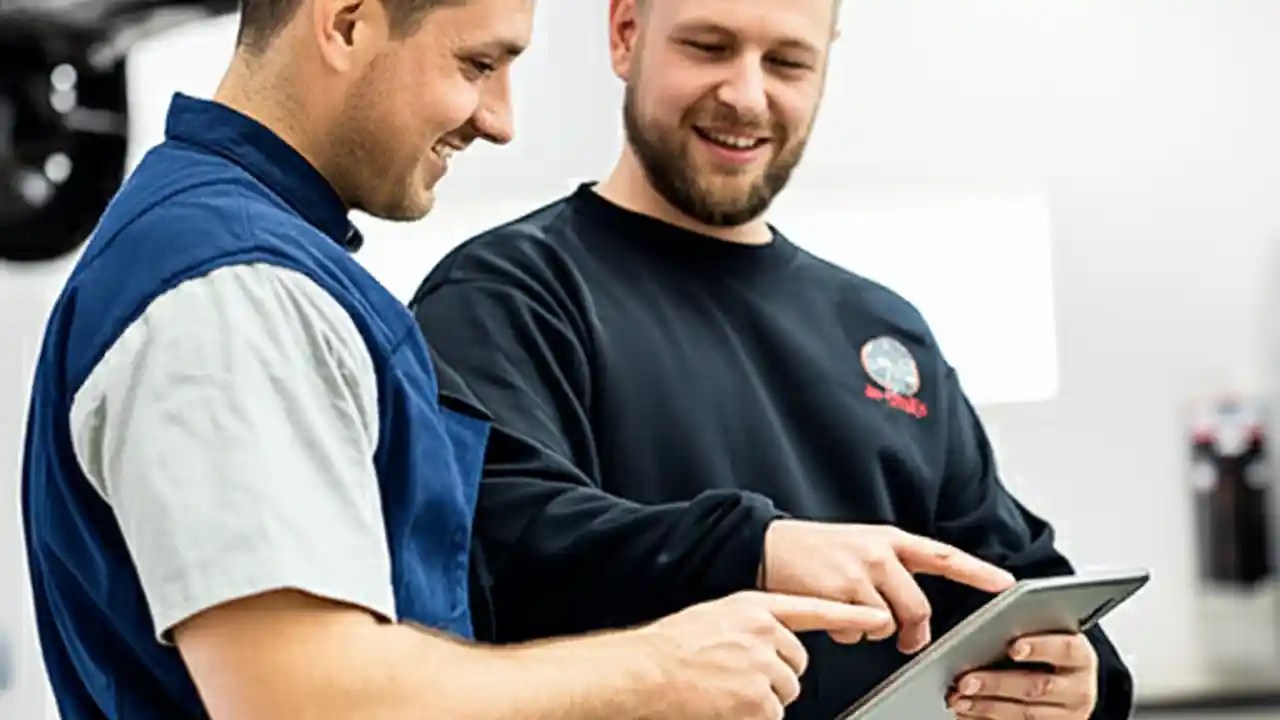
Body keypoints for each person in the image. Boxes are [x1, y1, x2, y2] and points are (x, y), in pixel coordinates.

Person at [19, 1, 903, 718]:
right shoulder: (233, 292)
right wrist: (659, 669)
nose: (501, 120)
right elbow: (301, 698)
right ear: (347, 21)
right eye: (478, 65)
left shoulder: (261, 267)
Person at [409, 0, 1135, 718]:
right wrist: (753, 548)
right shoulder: (509, 296)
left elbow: (1018, 582)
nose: (746, 95)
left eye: (786, 62)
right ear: (626, 34)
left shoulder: (884, 333)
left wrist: (1076, 679)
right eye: (708, 47)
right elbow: (497, 539)